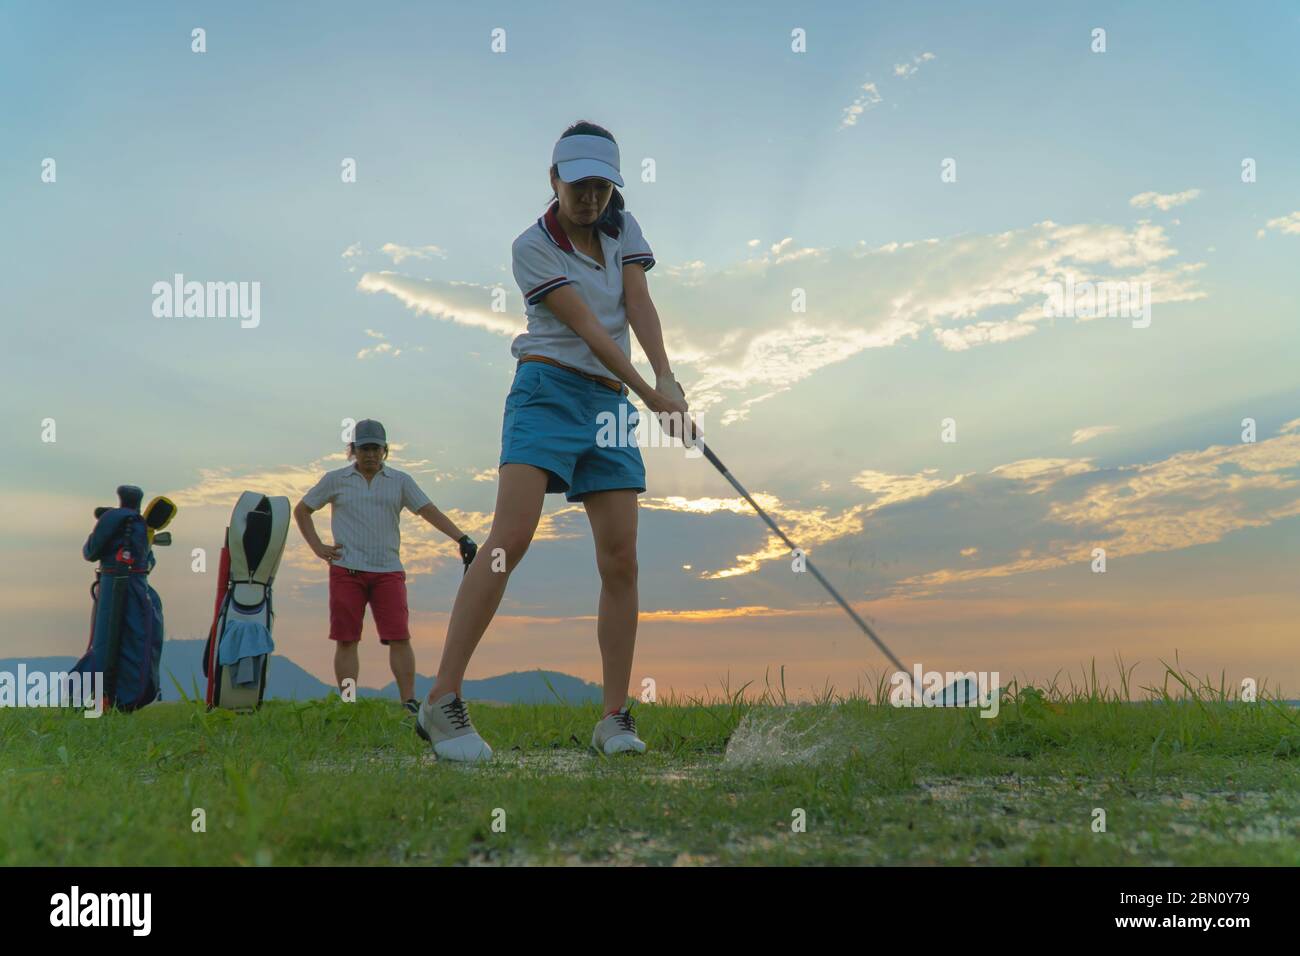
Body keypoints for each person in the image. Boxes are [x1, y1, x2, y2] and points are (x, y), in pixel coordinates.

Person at [416, 120, 694, 761]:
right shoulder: (531, 247)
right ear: (554, 180)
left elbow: (638, 306)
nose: (590, 198)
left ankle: (614, 718)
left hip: (609, 404)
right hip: (545, 393)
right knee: (508, 541)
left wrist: (667, 378)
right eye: (579, 185)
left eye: (601, 185)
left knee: (620, 558)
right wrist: (654, 399)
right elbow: (592, 330)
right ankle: (442, 700)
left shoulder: (624, 229)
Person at [294, 419, 476, 710]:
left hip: (388, 571)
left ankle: (409, 702)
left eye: (376, 449)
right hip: (347, 570)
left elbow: (428, 510)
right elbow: (303, 510)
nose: (370, 455)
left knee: (399, 637)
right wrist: (317, 547)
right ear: (352, 450)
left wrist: (461, 538)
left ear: (385, 451)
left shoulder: (400, 481)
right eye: (364, 448)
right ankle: (348, 702)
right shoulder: (335, 479)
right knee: (346, 639)